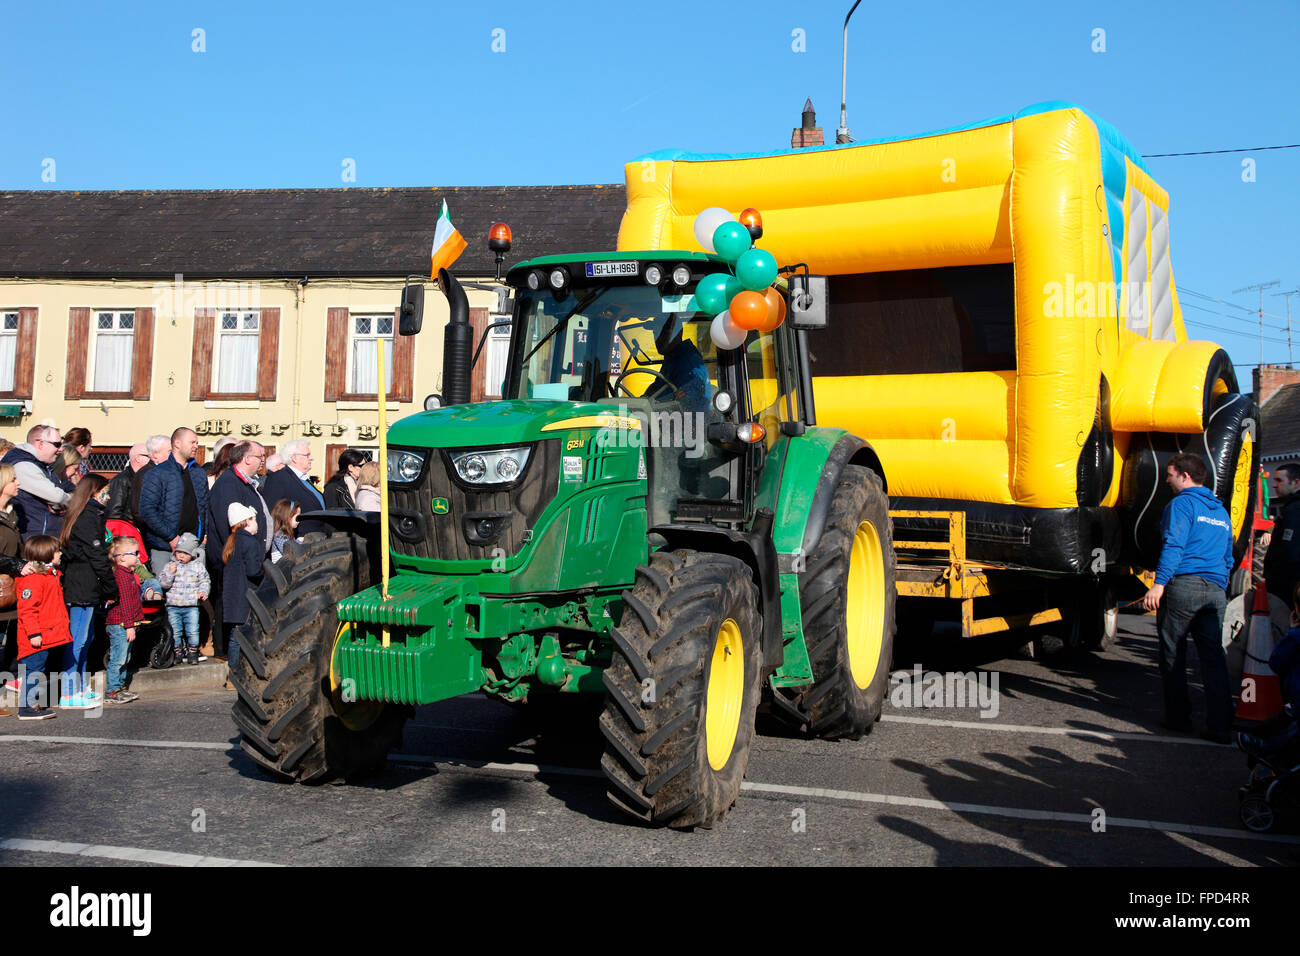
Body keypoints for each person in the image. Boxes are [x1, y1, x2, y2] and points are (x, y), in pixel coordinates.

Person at [1142, 452, 1236, 743]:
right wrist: (1220, 582)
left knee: (1173, 652)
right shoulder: (1220, 512)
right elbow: (1228, 556)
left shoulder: (1181, 505)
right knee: (1213, 659)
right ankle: (1220, 726)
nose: (1167, 480)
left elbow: (1174, 545)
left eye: (1170, 475)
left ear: (1184, 475)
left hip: (1184, 585)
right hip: (1215, 590)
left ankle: (1178, 717)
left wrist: (1159, 584)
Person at [57, 474, 114, 708]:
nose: (108, 496)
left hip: (87, 585)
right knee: (77, 639)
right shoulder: (87, 517)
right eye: (105, 491)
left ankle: (79, 687)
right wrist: (111, 586)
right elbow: (97, 555)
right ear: (93, 492)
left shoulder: (91, 515)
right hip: (82, 585)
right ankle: (69, 692)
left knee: (87, 638)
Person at [14, 535, 72, 719]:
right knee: (33, 670)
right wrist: (33, 634)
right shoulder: (34, 579)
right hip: (36, 636)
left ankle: (32, 703)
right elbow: (27, 609)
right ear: (46, 553)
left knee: (38, 669)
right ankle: (26, 707)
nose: (60, 553)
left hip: (46, 634)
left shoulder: (50, 574)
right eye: (57, 550)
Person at [137, 427, 209, 577]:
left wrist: (204, 534)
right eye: (192, 442)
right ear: (177, 443)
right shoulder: (158, 473)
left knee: (195, 597)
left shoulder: (199, 473)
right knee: (167, 595)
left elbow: (204, 507)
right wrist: (171, 537)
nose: (196, 446)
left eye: (197, 442)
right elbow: (147, 510)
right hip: (165, 548)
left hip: (194, 548)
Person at [1, 424, 71, 538]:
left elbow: (61, 491)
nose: (61, 449)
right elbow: (57, 497)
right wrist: (72, 501)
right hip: (33, 539)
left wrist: (60, 504)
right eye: (57, 444)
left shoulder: (41, 464)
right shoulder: (23, 465)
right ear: (40, 443)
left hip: (40, 537)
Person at [221, 502, 263, 684]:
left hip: (232, 597)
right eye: (254, 520)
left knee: (234, 637)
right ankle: (239, 676)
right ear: (246, 521)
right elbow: (254, 571)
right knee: (245, 638)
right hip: (246, 596)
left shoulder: (232, 541)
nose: (257, 524)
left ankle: (232, 675)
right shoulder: (250, 542)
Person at [157, 532, 210, 665]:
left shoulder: (198, 566)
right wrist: (170, 573)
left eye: (185, 553)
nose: (181, 555)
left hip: (191, 605)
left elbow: (204, 581)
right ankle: (177, 653)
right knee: (175, 631)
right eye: (178, 552)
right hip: (173, 606)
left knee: (192, 630)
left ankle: (192, 653)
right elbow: (163, 583)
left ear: (192, 554)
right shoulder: (170, 566)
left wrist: (203, 592)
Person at [102, 537, 143, 704]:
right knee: (119, 658)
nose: (138, 556)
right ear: (122, 556)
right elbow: (125, 603)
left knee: (125, 657)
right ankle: (112, 690)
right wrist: (129, 626)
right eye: (135, 553)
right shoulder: (122, 576)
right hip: (120, 624)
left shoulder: (128, 574)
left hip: (124, 624)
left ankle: (120, 687)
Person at [264, 440, 328, 536]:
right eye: (307, 455)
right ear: (294, 458)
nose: (311, 458)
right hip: (297, 539)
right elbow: (273, 512)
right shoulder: (279, 478)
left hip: (316, 538)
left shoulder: (304, 479)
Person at [654, 317, 710, 415]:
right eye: (655, 333)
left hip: (691, 425)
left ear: (678, 333)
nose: (658, 338)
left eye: (663, 332)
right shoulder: (672, 358)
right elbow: (657, 388)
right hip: (668, 421)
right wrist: (643, 399)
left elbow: (685, 403)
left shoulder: (690, 363)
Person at [1264, 462, 1300, 605]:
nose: (1273, 485)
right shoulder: (1290, 508)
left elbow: (1291, 551)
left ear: (1296, 482)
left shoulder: (1295, 510)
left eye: (1279, 480)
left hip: (1288, 588)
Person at [104, 443, 150, 523]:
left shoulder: (143, 478)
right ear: (137, 458)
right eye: (149, 456)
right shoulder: (122, 480)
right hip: (127, 531)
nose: (152, 459)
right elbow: (114, 513)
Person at [270, 499, 301, 563]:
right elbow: (289, 552)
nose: (299, 521)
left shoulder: (287, 534)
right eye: (297, 517)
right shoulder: (279, 535)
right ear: (288, 517)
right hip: (281, 570)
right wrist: (300, 541)